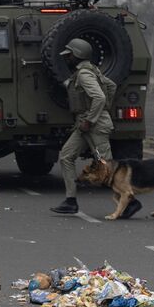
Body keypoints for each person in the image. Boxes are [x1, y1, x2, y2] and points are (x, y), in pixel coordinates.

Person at [51, 38, 119, 216]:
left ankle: (129, 201)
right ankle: (70, 200)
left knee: (106, 166)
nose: (67, 58)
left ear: (78, 55)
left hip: (93, 124)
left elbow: (100, 97)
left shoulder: (84, 74)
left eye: (70, 55)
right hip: (84, 123)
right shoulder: (91, 70)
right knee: (66, 156)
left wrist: (93, 117)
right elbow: (111, 86)